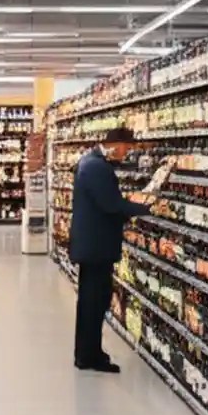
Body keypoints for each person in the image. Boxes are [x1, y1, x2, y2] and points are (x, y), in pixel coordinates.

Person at [68, 126, 154, 373]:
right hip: (96, 247)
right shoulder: (96, 167)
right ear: (116, 144)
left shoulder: (92, 161)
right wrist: (144, 208)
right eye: (127, 149)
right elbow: (111, 204)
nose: (127, 154)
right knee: (94, 302)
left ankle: (89, 352)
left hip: (92, 245)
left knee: (91, 301)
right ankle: (88, 356)